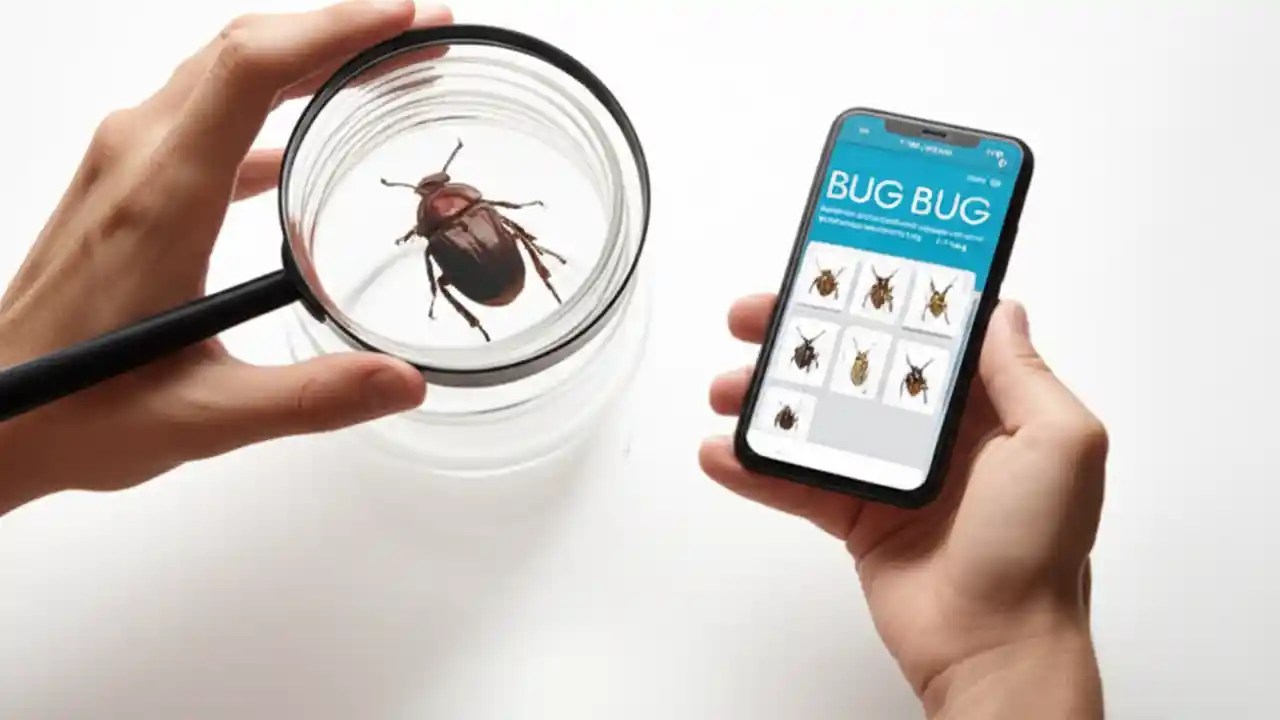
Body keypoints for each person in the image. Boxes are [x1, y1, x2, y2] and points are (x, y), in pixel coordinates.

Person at [0, 2, 1109, 717]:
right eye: (443, 204)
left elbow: (504, 233)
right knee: (499, 277)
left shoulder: (458, 222)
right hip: (489, 285)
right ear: (445, 212)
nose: (447, 208)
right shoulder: (454, 225)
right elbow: (494, 237)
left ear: (449, 203)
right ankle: (485, 331)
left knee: (505, 267)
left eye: (445, 197)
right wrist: (1009, 655)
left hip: (496, 276)